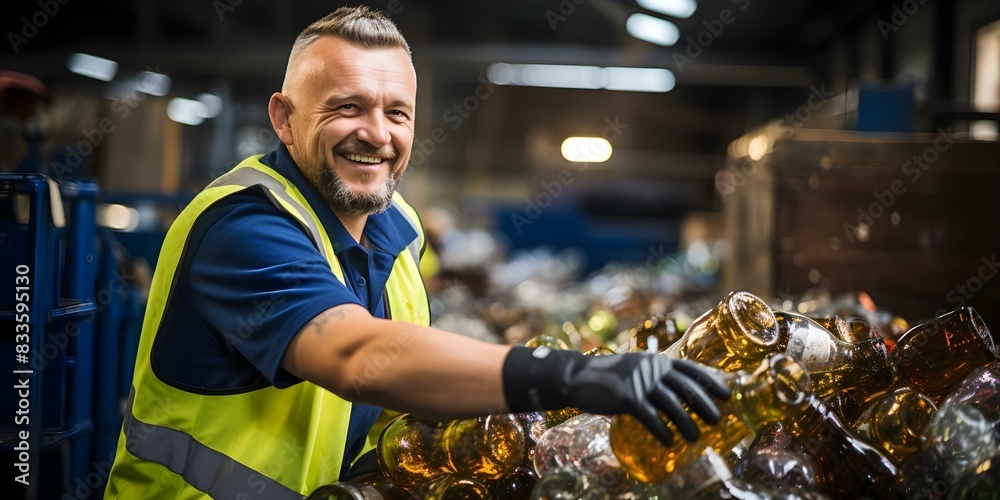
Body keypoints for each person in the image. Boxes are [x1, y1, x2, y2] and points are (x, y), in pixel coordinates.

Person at [105, 6, 730, 498]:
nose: (376, 134)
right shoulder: (243, 227)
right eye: (346, 107)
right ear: (284, 117)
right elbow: (357, 355)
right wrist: (576, 374)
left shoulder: (396, 224)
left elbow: (403, 381)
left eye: (396, 112)